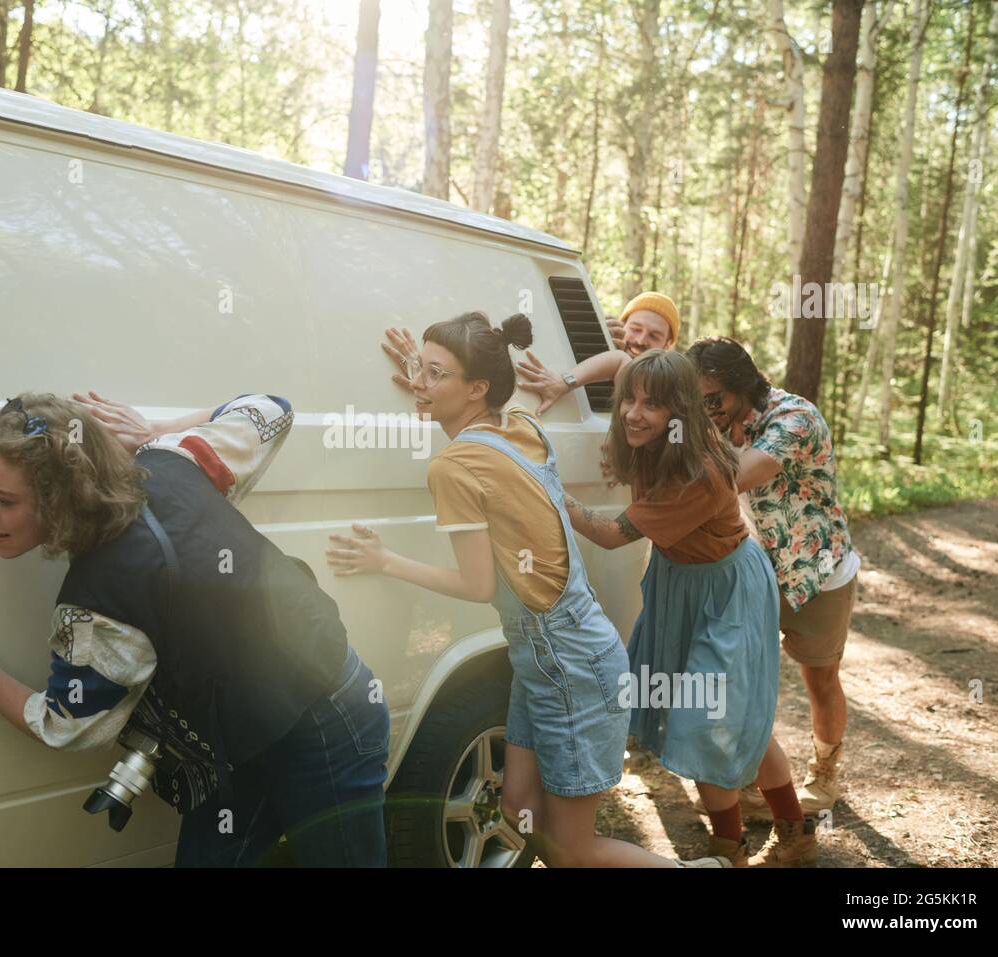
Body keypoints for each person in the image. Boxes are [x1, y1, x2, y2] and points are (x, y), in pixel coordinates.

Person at [0, 390, 390, 867]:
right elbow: (268, 409)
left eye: (3, 501)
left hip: (328, 721)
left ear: (61, 498)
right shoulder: (178, 460)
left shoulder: (99, 608)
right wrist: (160, 434)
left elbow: (66, 727)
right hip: (237, 743)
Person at [326, 312, 725, 868]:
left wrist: (385, 560)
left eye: (436, 373)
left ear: (477, 388)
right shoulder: (519, 426)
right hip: (549, 655)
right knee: (517, 812)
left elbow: (477, 583)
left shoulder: (453, 467)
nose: (420, 382)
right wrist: (429, 376)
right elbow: (475, 410)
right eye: (421, 368)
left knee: (573, 852)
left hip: (569, 660)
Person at [561, 346, 818, 866]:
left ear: (679, 410)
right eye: (628, 400)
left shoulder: (695, 470)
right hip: (680, 582)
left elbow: (613, 535)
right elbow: (622, 363)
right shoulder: (655, 443)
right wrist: (559, 381)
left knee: (704, 722)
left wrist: (551, 494)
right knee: (739, 719)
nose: (634, 412)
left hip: (727, 592)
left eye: (651, 405)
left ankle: (730, 850)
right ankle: (795, 832)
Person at [686, 337, 858, 822]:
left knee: (820, 678)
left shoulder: (794, 418)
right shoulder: (711, 420)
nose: (706, 410)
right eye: (697, 401)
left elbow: (736, 476)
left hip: (818, 571)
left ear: (743, 387)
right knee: (736, 679)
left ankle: (825, 773)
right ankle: (755, 779)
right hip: (753, 570)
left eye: (714, 398)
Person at [520, 291, 680, 413]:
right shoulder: (604, 354)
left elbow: (620, 361)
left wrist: (563, 383)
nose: (640, 340)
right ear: (621, 325)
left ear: (667, 345)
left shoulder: (672, 388)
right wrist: (595, 341)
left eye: (654, 336)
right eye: (636, 329)